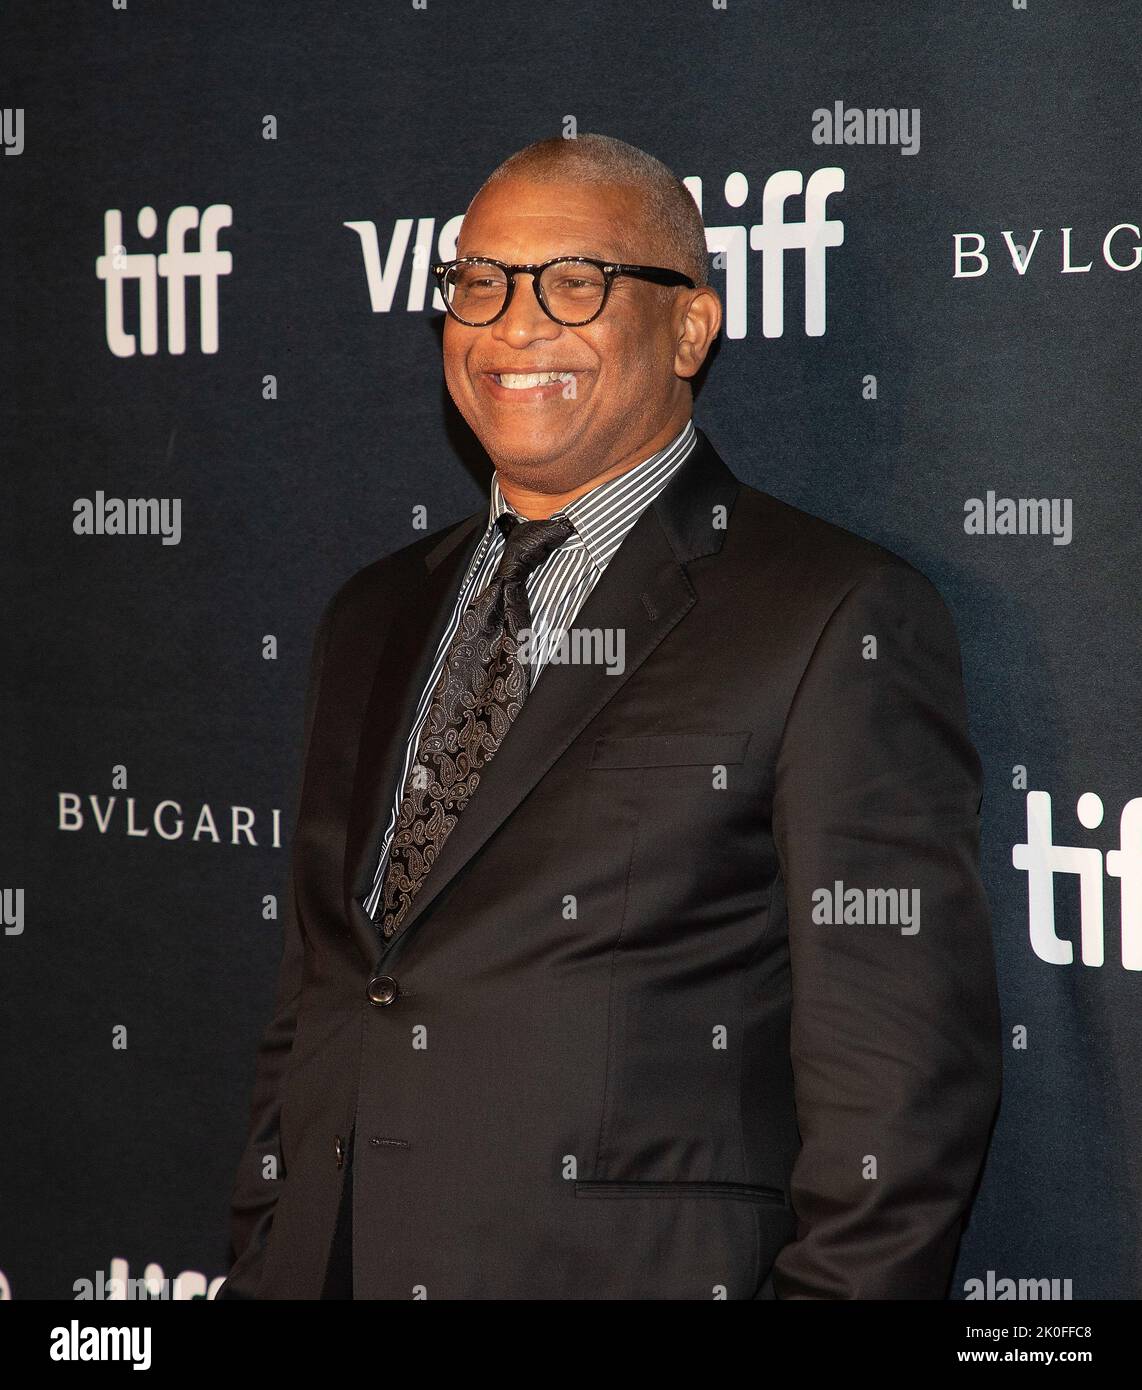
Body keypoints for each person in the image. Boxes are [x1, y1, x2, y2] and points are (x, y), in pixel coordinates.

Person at [218, 132, 1001, 1300]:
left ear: (690, 327)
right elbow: (326, 994)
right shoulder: (374, 612)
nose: (511, 325)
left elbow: (899, 1087)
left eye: (573, 282)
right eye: (475, 283)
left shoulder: (829, 615)